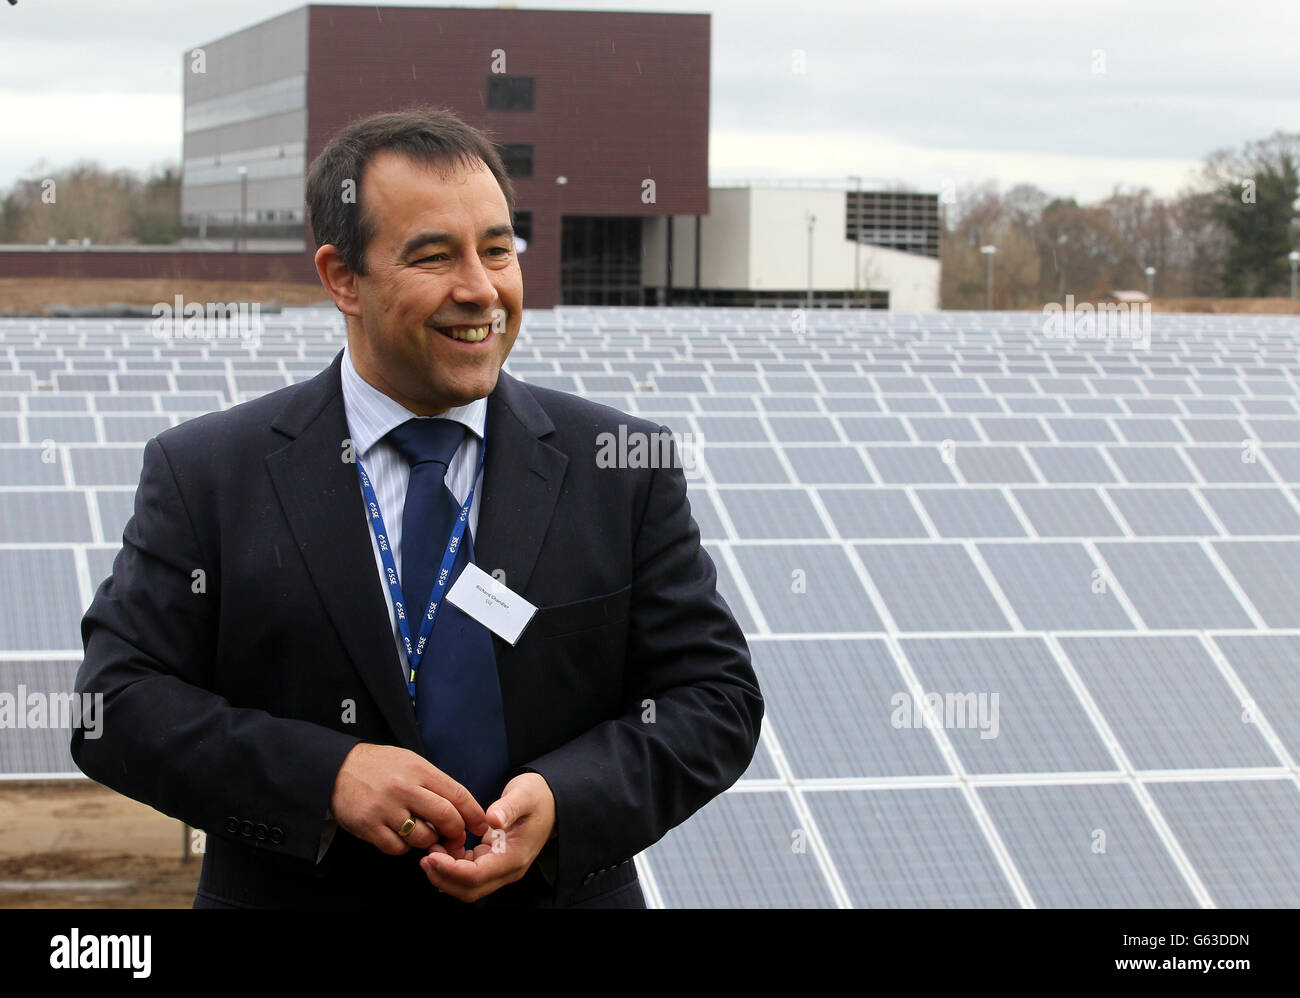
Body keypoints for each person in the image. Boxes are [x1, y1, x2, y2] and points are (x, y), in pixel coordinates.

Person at [72, 106, 763, 909]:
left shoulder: (620, 468)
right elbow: (112, 708)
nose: (481, 289)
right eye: (433, 256)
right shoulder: (208, 473)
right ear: (342, 279)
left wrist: (566, 799)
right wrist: (325, 776)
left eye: (498, 249)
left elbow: (715, 701)